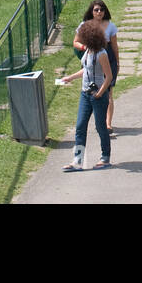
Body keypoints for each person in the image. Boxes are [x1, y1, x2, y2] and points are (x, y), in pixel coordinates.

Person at [59, 19, 113, 170]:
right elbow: (86, 70)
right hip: (85, 94)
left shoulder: (102, 54)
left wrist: (100, 93)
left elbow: (108, 77)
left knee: (100, 126)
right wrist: (70, 77)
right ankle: (78, 161)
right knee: (80, 126)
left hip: (98, 96)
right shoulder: (88, 51)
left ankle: (105, 157)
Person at [74, 0, 120, 132]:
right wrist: (86, 47)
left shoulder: (110, 26)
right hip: (91, 59)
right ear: (91, 11)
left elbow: (115, 46)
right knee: (90, 89)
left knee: (109, 91)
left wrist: (117, 62)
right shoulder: (85, 25)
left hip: (108, 57)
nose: (99, 12)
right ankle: (95, 118)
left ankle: (107, 123)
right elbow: (75, 42)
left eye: (102, 10)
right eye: (96, 10)